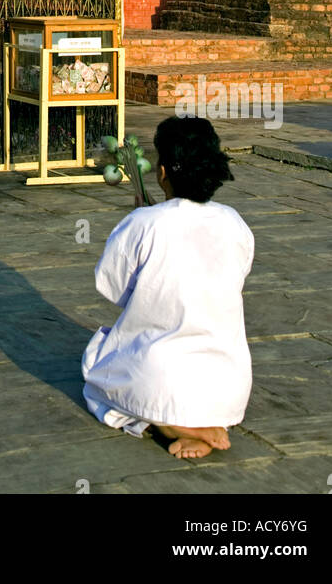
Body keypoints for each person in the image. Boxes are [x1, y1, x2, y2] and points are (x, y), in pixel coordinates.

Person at [81, 115, 254, 459]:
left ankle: (174, 424)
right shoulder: (234, 221)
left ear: (162, 173)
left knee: (96, 379)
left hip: (159, 377)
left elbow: (113, 289)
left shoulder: (143, 222)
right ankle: (205, 421)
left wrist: (139, 225)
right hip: (228, 386)